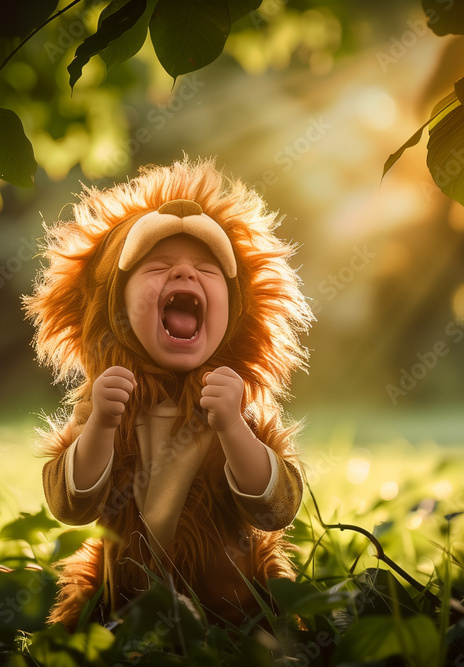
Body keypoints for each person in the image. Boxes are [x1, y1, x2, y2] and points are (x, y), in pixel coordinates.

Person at [24, 156, 313, 629]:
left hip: (232, 616)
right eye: (158, 266)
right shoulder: (105, 401)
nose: (184, 275)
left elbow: (276, 507)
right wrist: (99, 424)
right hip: (128, 613)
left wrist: (234, 427)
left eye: (207, 269)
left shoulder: (236, 400)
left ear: (235, 310)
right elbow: (70, 505)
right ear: (116, 307)